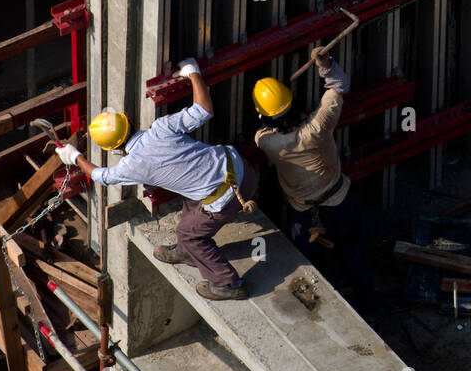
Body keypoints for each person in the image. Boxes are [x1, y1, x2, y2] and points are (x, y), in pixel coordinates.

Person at [55, 60, 257, 301]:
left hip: (227, 201)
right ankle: (186, 252)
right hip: (244, 172)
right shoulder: (161, 128)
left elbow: (102, 176)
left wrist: (75, 157)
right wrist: (192, 73)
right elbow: (204, 109)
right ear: (127, 121)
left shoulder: (133, 165)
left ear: (113, 148)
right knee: (191, 201)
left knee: (190, 234)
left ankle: (229, 284)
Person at [252, 47, 376, 314]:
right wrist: (325, 64)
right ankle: (368, 307)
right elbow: (339, 86)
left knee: (306, 264)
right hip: (338, 202)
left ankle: (313, 311)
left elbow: (264, 126)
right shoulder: (318, 127)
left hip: (303, 214)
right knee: (353, 254)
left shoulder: (266, 142)